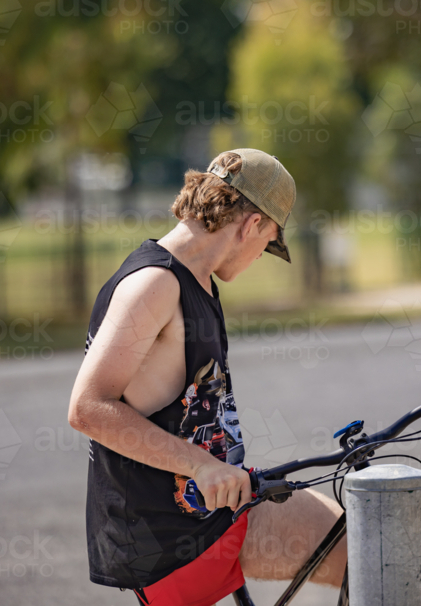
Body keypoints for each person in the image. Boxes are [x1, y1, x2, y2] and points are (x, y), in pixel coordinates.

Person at [68, 148, 346, 606]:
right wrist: (201, 465)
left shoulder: (195, 279)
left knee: (366, 534)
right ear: (252, 224)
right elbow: (88, 408)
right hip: (178, 538)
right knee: (367, 548)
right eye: (270, 242)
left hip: (207, 516)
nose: (262, 256)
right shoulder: (155, 284)